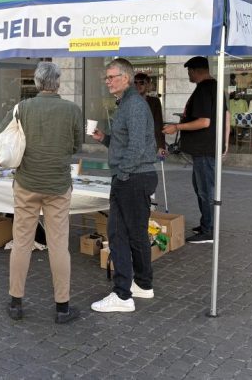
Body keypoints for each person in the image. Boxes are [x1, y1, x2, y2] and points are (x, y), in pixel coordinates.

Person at [0, 61, 83, 324]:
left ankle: (16, 302)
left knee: (21, 242)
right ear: (58, 82)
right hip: (58, 185)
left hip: (26, 183)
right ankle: (62, 307)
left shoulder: (23, 108)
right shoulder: (72, 110)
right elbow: (76, 145)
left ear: (36, 82)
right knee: (58, 245)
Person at [90, 58, 158, 313]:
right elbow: (126, 142)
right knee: (137, 234)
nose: (107, 81)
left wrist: (124, 174)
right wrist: (105, 139)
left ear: (125, 78)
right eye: (106, 77)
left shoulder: (134, 105)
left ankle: (122, 295)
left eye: (111, 76)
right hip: (136, 176)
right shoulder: (127, 104)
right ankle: (143, 284)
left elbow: (138, 146)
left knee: (118, 234)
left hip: (132, 177)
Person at [162, 56, 229, 244]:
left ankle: (209, 231)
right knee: (201, 188)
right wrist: (225, 143)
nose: (188, 75)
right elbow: (226, 116)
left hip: (204, 149)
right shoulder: (216, 87)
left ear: (195, 70)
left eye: (189, 71)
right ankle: (206, 223)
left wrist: (177, 127)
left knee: (205, 190)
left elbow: (204, 121)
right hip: (207, 148)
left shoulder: (204, 89)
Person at [134, 72, 166, 156]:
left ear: (147, 85)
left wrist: (161, 146)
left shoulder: (154, 102)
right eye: (135, 82)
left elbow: (158, 124)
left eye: (141, 83)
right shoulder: (127, 101)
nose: (138, 85)